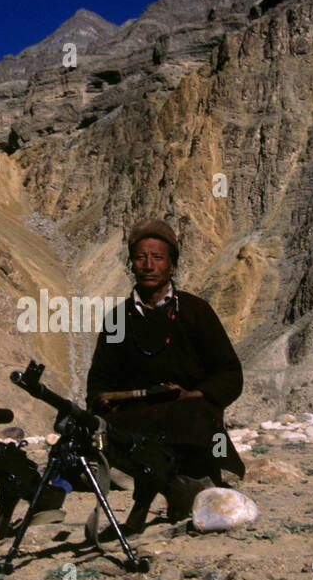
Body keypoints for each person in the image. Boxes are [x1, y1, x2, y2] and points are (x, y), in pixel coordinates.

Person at [86, 218, 245, 532]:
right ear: (131, 264)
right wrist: (109, 404)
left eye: (157, 258)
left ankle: (190, 484)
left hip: (189, 418)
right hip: (139, 418)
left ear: (172, 267)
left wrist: (196, 395)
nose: (148, 265)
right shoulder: (118, 319)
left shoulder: (195, 311)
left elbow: (229, 372)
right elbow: (100, 384)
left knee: (195, 417)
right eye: (140, 257)